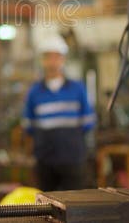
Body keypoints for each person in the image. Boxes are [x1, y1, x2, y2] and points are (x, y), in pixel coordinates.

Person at [22, 35, 96, 191]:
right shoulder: (34, 92)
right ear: (42, 60)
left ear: (63, 59)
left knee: (75, 204)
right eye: (48, 57)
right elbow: (29, 126)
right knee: (46, 206)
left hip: (73, 160)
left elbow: (88, 122)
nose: (52, 61)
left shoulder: (78, 89)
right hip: (45, 161)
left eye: (57, 56)